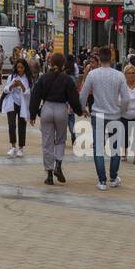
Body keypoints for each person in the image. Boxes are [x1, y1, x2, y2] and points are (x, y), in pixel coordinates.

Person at [29, 52, 83, 185]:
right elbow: (73, 97)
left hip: (47, 108)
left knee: (47, 142)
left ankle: (49, 174)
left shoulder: (44, 78)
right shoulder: (67, 79)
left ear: (50, 63)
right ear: (63, 64)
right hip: (61, 109)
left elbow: (35, 95)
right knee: (60, 139)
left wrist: (32, 114)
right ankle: (58, 164)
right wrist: (79, 111)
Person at [78, 44, 126, 190]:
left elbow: (83, 93)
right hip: (114, 115)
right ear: (111, 58)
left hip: (98, 114)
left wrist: (82, 108)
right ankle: (113, 177)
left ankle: (102, 181)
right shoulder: (119, 75)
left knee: (98, 148)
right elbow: (126, 98)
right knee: (115, 148)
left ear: (99, 58)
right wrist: (122, 110)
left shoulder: (93, 74)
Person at [2, 57, 32, 157]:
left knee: (22, 125)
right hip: (12, 102)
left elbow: (28, 92)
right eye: (18, 67)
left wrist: (22, 86)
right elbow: (6, 90)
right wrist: (12, 85)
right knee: (11, 124)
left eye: (22, 67)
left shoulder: (27, 78)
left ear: (25, 68)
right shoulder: (12, 76)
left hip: (22, 104)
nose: (19, 69)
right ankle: (13, 146)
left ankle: (21, 147)